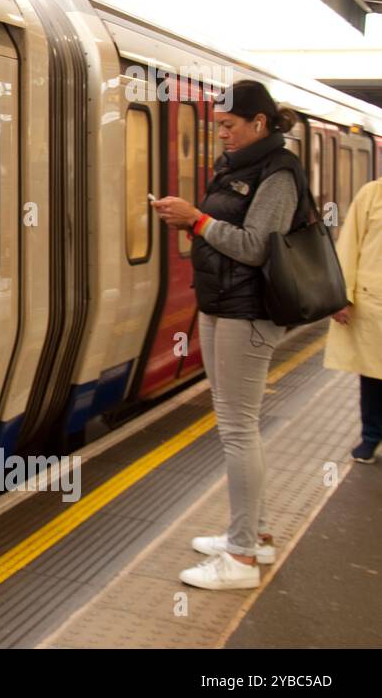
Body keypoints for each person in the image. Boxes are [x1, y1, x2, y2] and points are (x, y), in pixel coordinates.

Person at [152, 80, 311, 591]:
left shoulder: (279, 172)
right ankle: (253, 535)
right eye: (218, 125)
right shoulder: (234, 168)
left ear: (259, 123)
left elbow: (256, 246)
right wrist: (192, 221)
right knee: (236, 426)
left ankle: (242, 558)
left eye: (229, 125)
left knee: (238, 430)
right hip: (220, 306)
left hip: (250, 312)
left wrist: (195, 221)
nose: (220, 133)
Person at [325, 177, 382, 464]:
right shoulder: (372, 194)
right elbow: (348, 245)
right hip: (375, 303)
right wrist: (342, 296)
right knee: (373, 376)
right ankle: (371, 437)